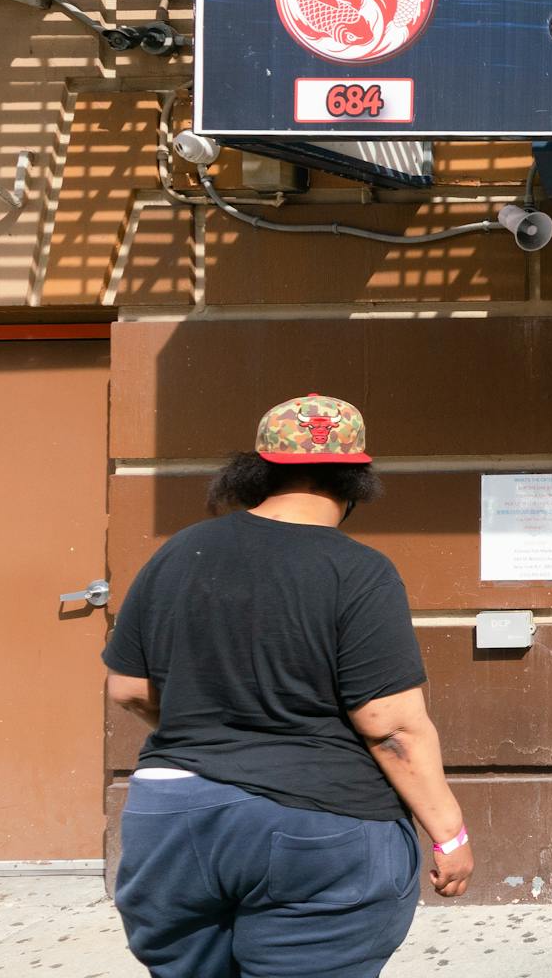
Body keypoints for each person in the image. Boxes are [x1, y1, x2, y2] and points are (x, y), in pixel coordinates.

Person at [102, 394, 473, 977]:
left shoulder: (178, 553)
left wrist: (211, 720)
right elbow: (392, 729)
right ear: (356, 482)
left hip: (171, 819)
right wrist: (449, 835)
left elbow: (126, 687)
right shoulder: (358, 571)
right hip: (317, 827)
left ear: (257, 470)